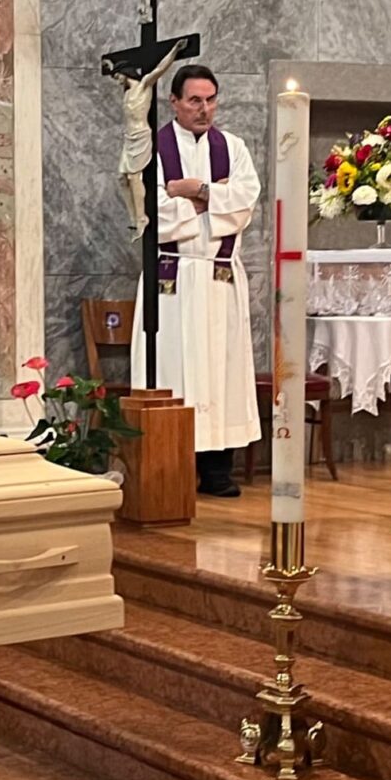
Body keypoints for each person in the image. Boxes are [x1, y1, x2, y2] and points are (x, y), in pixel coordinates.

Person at [130, 64, 259, 498]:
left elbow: (243, 204)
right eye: (195, 101)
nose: (205, 109)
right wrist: (210, 198)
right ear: (175, 102)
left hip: (219, 278)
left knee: (222, 372)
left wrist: (194, 189)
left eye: (211, 100)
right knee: (174, 369)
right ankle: (173, 469)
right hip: (174, 280)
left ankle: (219, 473)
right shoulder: (153, 148)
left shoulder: (234, 147)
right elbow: (149, 212)